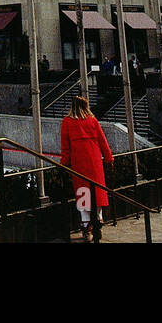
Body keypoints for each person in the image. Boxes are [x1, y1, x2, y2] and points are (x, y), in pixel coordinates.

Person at [59, 96, 114, 243]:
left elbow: (66, 148)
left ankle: (86, 228)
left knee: (83, 195)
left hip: (79, 163)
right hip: (95, 161)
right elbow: (103, 141)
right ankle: (98, 220)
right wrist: (109, 158)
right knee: (97, 192)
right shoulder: (93, 120)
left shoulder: (67, 122)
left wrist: (64, 163)